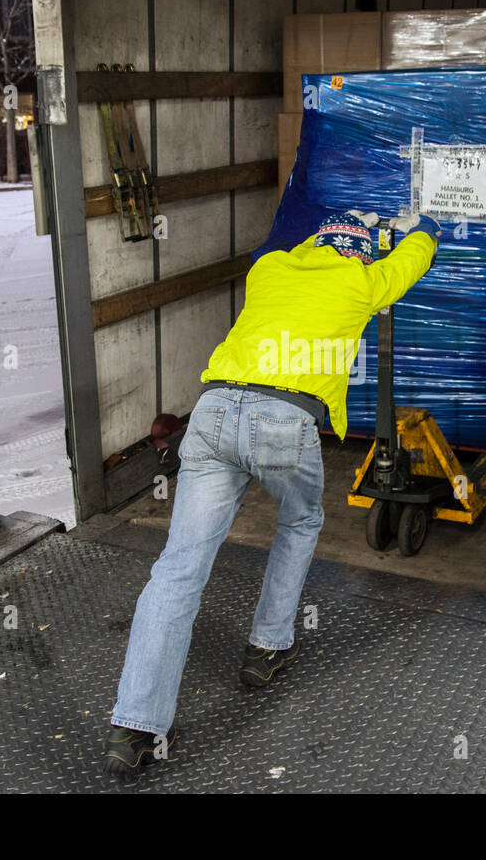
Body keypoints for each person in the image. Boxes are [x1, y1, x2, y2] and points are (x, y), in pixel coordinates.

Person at [102, 209, 441, 782]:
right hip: (284, 421)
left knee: (178, 570)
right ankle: (267, 648)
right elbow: (412, 260)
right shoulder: (362, 280)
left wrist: (349, 229)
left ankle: (134, 728)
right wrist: (420, 226)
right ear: (359, 252)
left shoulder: (271, 268)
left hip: (212, 413)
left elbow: (313, 244)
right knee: (301, 519)